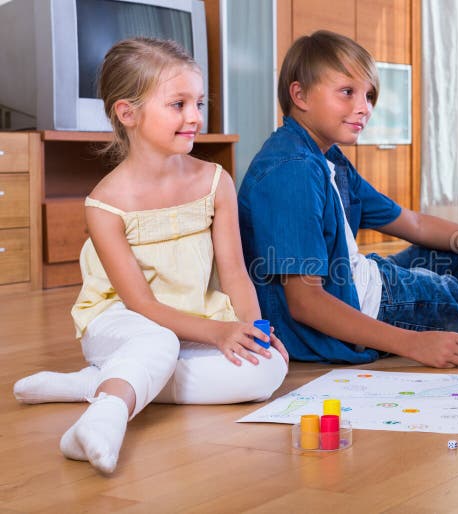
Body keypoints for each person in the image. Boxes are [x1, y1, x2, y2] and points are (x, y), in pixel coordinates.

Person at [13, 37, 289, 474]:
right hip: (124, 320)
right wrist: (218, 336)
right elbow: (140, 304)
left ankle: (105, 380)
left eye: (199, 102)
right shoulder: (105, 204)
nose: (195, 117)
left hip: (193, 320)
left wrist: (251, 330)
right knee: (156, 341)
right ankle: (106, 415)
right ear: (128, 114)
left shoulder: (216, 182)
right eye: (178, 104)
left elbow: (235, 272)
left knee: (266, 371)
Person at [238, 30, 458, 369]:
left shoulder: (327, 158)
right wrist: (413, 344)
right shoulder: (291, 172)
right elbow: (305, 303)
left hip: (368, 281)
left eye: (369, 96)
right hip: (368, 307)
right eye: (347, 92)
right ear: (300, 95)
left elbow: (413, 223)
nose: (363, 108)